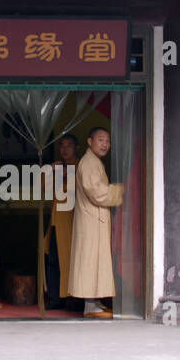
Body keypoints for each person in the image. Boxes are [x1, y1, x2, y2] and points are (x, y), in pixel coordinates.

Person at [69, 127, 123, 318]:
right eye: (101, 140)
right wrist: (119, 191)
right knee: (90, 260)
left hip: (94, 220)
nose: (105, 144)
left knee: (95, 260)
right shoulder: (89, 163)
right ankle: (89, 304)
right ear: (89, 141)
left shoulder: (94, 162)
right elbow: (96, 192)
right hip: (91, 220)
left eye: (107, 141)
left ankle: (95, 301)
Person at [44, 132, 80, 310]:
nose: (65, 149)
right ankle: (56, 298)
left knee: (75, 261)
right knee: (54, 261)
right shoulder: (57, 168)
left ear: (77, 148)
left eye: (69, 145)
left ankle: (77, 298)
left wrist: (69, 174)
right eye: (62, 145)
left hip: (75, 222)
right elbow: (41, 188)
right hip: (57, 222)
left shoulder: (82, 166)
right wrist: (50, 170)